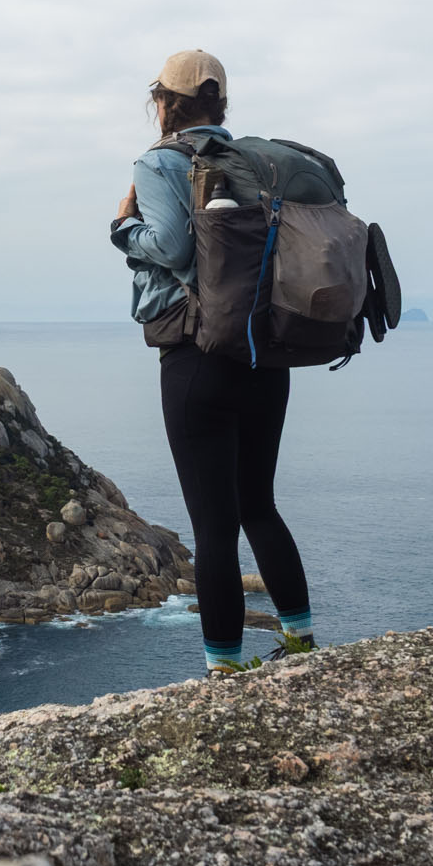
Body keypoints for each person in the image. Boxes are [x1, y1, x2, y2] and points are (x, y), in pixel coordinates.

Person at [109, 49, 315, 674]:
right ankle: (303, 646)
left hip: (196, 356)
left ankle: (224, 673)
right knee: (259, 504)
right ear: (219, 103)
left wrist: (122, 230)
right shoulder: (253, 163)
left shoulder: (161, 161)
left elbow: (170, 246)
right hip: (264, 353)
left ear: (165, 103)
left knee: (213, 528)